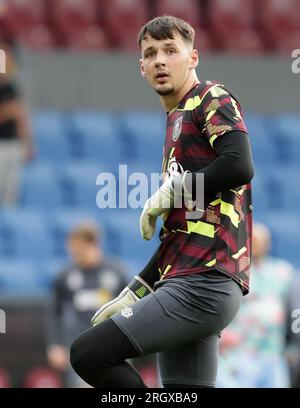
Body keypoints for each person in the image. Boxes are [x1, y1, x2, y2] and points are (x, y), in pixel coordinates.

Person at [70, 15, 254, 388]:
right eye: (150, 53)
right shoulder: (175, 122)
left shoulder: (210, 96)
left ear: (193, 58)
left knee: (88, 354)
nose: (159, 60)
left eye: (170, 50)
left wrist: (176, 188)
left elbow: (239, 165)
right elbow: (180, 233)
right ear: (141, 67)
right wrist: (137, 289)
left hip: (204, 282)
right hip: (185, 279)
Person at [46, 223, 129, 387]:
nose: (75, 255)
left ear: (93, 244)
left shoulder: (116, 273)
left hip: (114, 349)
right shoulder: (65, 276)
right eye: (73, 251)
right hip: (81, 349)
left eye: (79, 250)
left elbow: (132, 308)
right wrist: (55, 344)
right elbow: (54, 313)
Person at [217, 223, 295, 388]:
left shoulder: (283, 272)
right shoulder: (232, 271)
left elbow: (293, 308)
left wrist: (293, 345)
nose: (259, 245)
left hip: (274, 353)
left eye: (263, 240)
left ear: (269, 243)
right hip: (241, 352)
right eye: (255, 240)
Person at [0, 41, 34, 205]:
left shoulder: (11, 89)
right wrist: (8, 112)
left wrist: (27, 144)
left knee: (11, 192)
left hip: (12, 144)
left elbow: (21, 117)